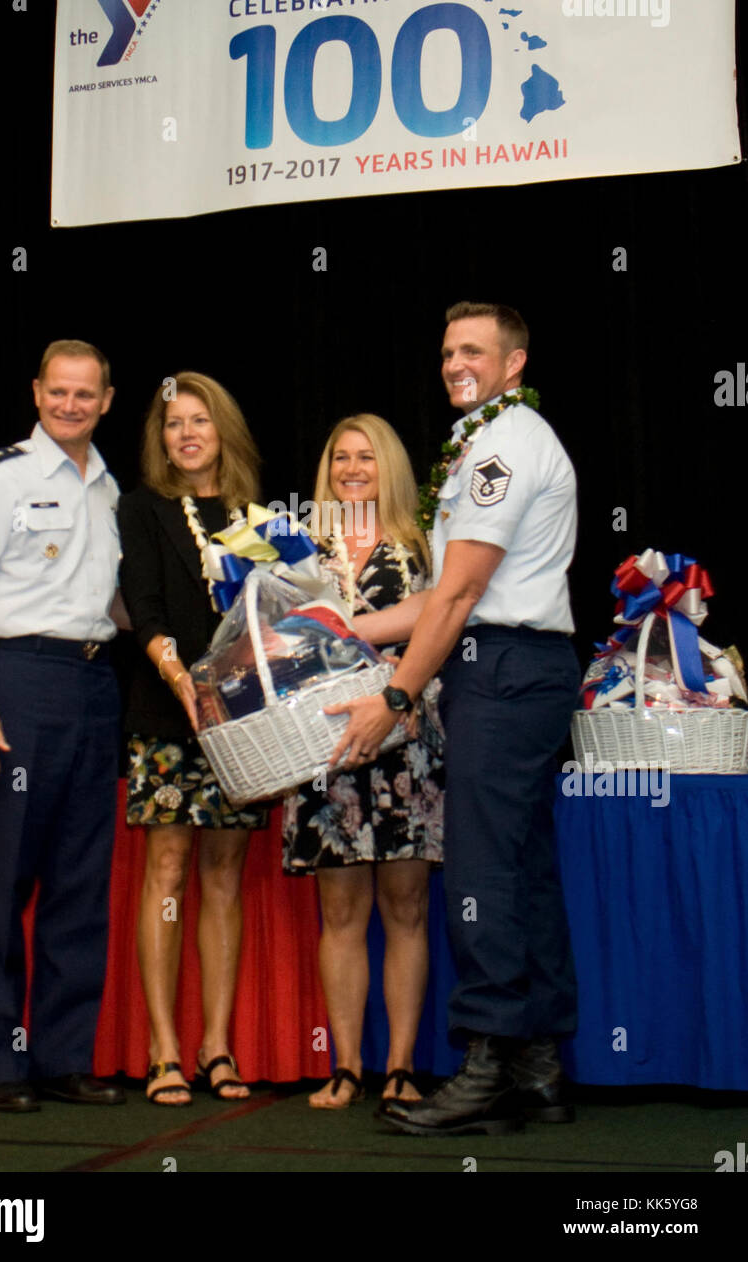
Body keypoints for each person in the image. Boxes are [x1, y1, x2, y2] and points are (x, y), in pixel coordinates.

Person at [327, 302, 579, 1135]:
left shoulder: (502, 446)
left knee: (481, 872)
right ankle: (538, 1069)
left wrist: (395, 695)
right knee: (522, 867)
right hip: (514, 666)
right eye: (445, 352)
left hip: (504, 668)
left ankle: (490, 1061)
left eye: (473, 350)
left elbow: (464, 595)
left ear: (515, 363)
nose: (454, 363)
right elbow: (448, 595)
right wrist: (343, 629)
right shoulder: (492, 437)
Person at [0, 340, 126, 1112]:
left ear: (107, 400)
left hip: (94, 682)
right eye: (59, 392)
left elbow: (114, 605)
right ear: (37, 392)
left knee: (80, 884)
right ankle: (0, 1065)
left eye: (85, 394)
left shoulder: (112, 489)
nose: (71, 405)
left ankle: (61, 1058)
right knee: (6, 878)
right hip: (17, 680)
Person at [282, 414, 444, 1109]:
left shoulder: (423, 543)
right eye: (340, 457)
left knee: (405, 908)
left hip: (405, 737)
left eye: (366, 458)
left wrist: (397, 691)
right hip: (324, 747)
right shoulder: (297, 552)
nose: (352, 469)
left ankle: (401, 1067)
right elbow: (278, 641)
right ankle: (346, 1066)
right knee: (340, 914)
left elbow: (442, 616)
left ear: (390, 469)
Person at [118, 372, 268, 1106]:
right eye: (173, 422)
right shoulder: (142, 509)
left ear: (222, 431)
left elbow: (278, 625)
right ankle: (163, 1051)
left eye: (199, 421)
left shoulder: (257, 520)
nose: (185, 434)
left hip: (240, 725)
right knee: (168, 874)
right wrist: (180, 679)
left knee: (223, 878)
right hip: (166, 712)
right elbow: (142, 609)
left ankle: (217, 1046)